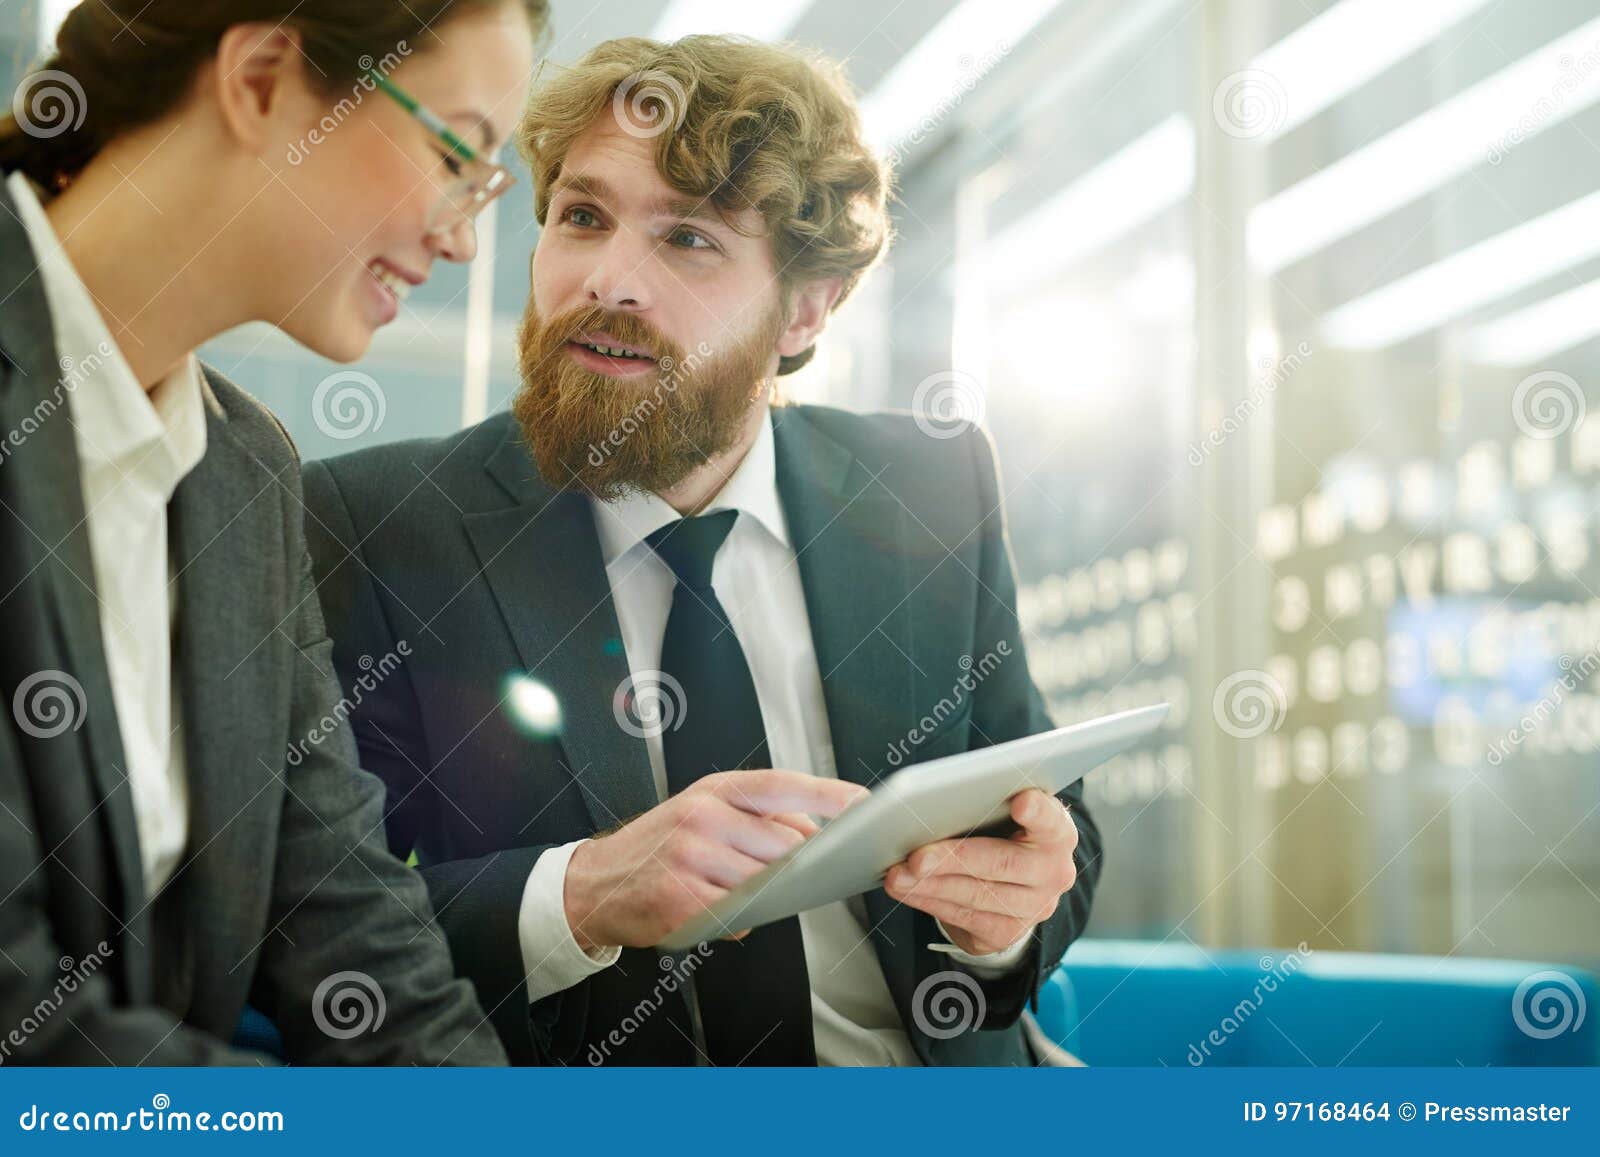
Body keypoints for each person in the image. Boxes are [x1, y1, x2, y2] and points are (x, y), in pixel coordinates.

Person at [304, 34, 1100, 1066]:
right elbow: (307, 925)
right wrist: (581, 895)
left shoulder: (929, 488)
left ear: (804, 307)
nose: (607, 281)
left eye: (688, 240)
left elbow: (1042, 815)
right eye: (582, 217)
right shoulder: (376, 523)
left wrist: (1003, 917)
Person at [0, 0, 547, 1064]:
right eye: (454, 154)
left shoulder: (243, 476)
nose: (463, 236)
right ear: (258, 81)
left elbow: (349, 918)